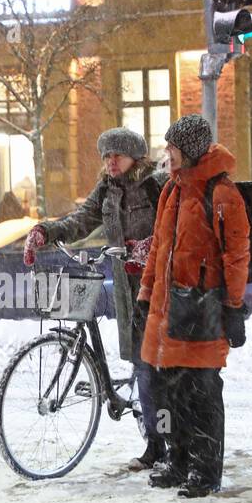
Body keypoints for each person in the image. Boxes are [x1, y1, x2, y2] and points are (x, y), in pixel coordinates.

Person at [22, 128, 165, 470]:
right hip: (127, 290)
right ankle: (156, 435)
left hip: (157, 286)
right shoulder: (107, 189)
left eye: (117, 155)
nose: (110, 161)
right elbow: (83, 219)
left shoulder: (155, 185)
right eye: (105, 155)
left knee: (153, 369)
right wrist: (46, 231)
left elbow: (173, 226)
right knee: (142, 364)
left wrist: (149, 247)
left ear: (135, 157)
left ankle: (161, 444)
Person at [137, 115, 250, 498]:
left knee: (202, 393)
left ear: (189, 151)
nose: (167, 154)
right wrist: (145, 294)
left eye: (172, 148)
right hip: (169, 310)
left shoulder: (221, 194)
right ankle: (178, 460)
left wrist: (234, 309)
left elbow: (236, 256)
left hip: (203, 309)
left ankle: (205, 470)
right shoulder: (172, 191)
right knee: (171, 393)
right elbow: (158, 248)